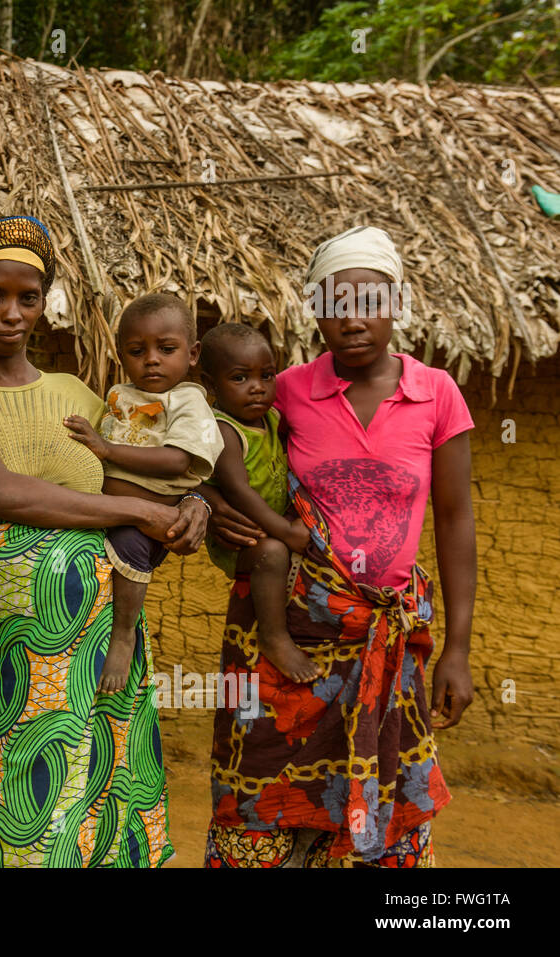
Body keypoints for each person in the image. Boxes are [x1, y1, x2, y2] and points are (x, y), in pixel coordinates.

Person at [199, 225, 476, 867]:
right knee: (260, 810)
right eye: (337, 303)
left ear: (397, 306)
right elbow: (216, 457)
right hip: (284, 631)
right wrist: (208, 506)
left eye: (372, 302)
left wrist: (457, 650)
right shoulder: (284, 389)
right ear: (316, 311)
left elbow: (456, 523)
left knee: (379, 825)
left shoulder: (437, 395)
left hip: (385, 637)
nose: (354, 319)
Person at [0, 216, 210, 867]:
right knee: (39, 790)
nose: (12, 313)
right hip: (33, 635)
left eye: (27, 297)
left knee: (113, 782)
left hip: (111, 629)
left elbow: (157, 464)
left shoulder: (82, 396)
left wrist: (192, 503)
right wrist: (133, 511)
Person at [64, 293, 223, 693]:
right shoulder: (119, 395)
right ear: (121, 355)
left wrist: (107, 451)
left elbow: (176, 461)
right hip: (107, 507)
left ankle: (123, 633)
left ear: (192, 353)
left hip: (153, 512)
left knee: (129, 545)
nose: (151, 359)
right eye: (137, 351)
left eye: (166, 349)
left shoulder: (188, 400)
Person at [198, 322, 320, 683]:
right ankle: (275, 637)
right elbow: (237, 490)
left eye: (267, 376)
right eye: (240, 378)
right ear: (211, 385)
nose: (258, 387)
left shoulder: (272, 418)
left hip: (267, 525)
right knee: (274, 554)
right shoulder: (222, 429)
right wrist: (284, 529)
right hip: (239, 537)